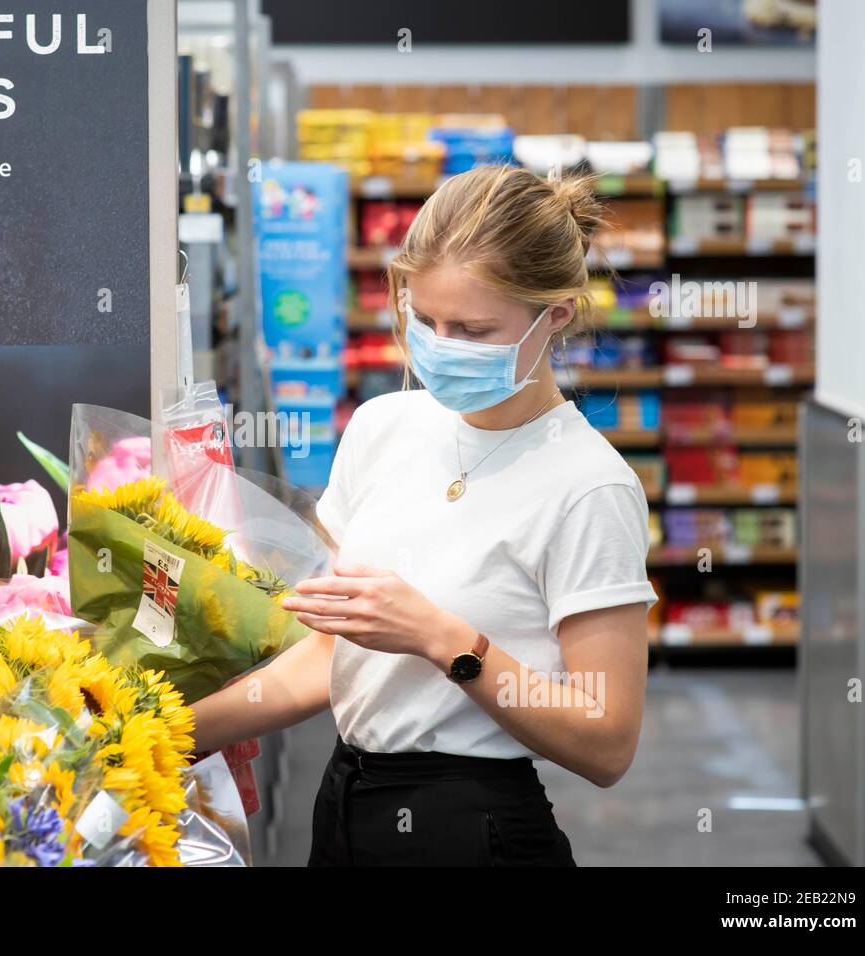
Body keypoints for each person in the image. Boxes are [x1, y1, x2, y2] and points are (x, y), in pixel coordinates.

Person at [190, 165, 657, 866]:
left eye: (472, 328)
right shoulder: (383, 427)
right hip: (348, 802)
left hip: (474, 825)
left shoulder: (588, 486)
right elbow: (327, 657)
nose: (440, 345)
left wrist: (445, 640)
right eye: (426, 320)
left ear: (555, 315)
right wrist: (162, 731)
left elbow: (608, 742)